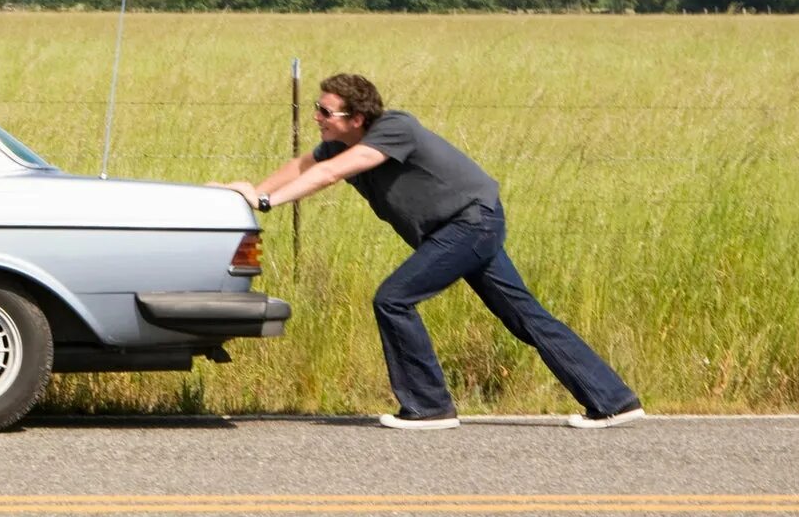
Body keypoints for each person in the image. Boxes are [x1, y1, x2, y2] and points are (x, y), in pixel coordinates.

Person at [220, 73, 642, 431]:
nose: (317, 118)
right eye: (317, 107)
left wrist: (264, 204)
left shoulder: (393, 129)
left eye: (326, 113)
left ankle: (428, 405)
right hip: (456, 229)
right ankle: (614, 401)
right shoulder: (335, 143)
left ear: (358, 118)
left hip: (470, 223)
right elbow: (304, 166)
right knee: (525, 316)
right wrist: (252, 193)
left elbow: (330, 174)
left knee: (393, 298)